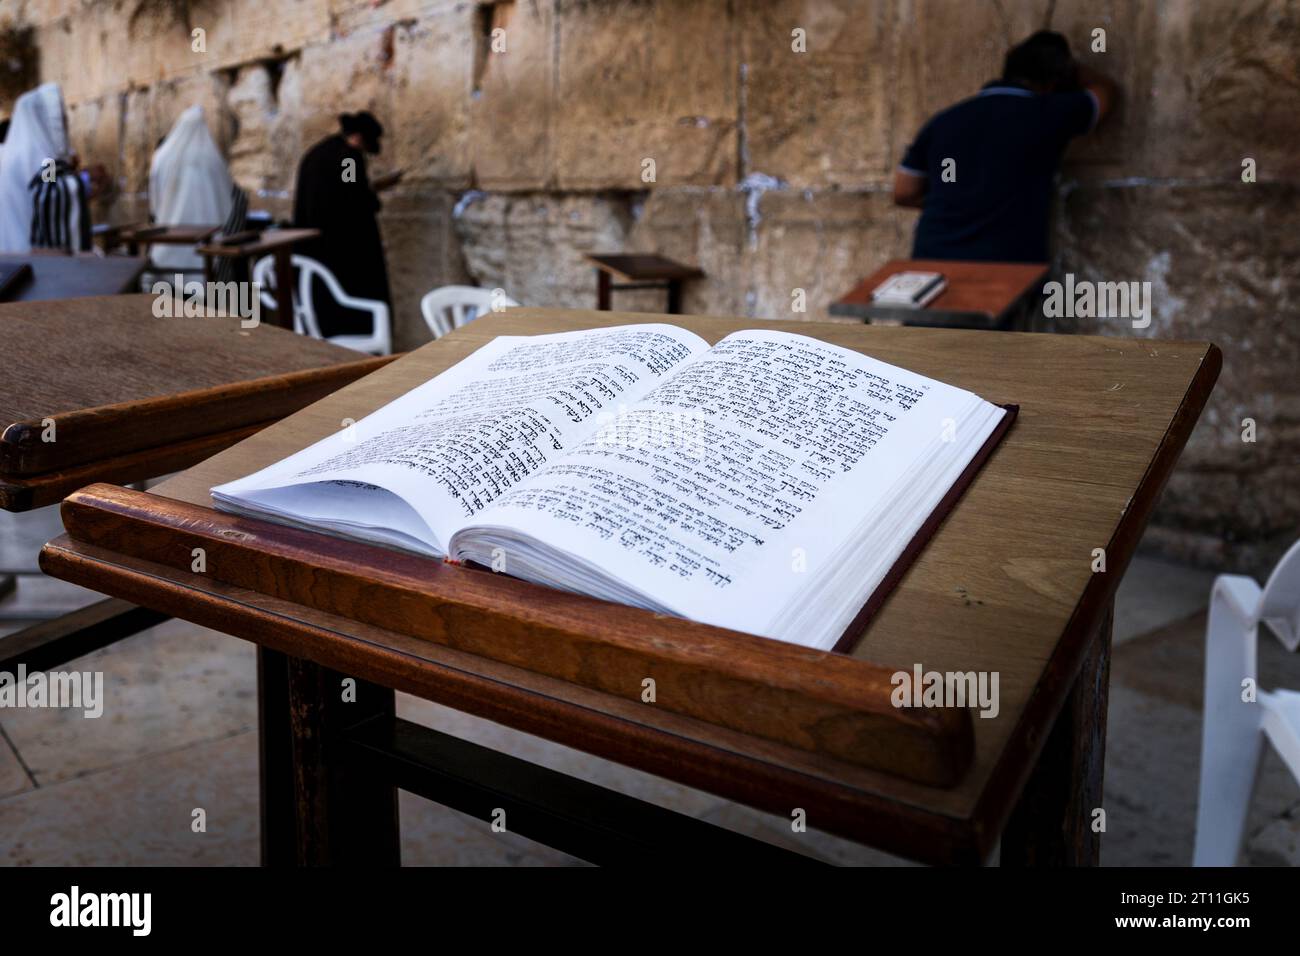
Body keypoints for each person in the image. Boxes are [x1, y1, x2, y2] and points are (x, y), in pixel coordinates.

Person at [893, 31, 1118, 263]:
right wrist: (1075, 72)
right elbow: (1105, 92)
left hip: (931, 261)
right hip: (1001, 267)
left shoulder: (944, 121)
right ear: (1053, 82)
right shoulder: (1048, 114)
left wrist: (959, 201)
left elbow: (904, 191)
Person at [292, 111, 402, 337]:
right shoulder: (348, 158)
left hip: (320, 245)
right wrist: (373, 194)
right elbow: (353, 196)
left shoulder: (320, 151)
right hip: (344, 249)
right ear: (360, 138)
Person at [0, 83, 88, 254]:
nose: (66, 126)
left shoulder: (9, 157)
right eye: (62, 120)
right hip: (35, 261)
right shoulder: (47, 162)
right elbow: (53, 195)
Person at [148, 105, 238, 272]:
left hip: (170, 240)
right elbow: (227, 197)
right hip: (207, 242)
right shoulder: (213, 160)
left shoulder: (162, 157)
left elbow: (155, 201)